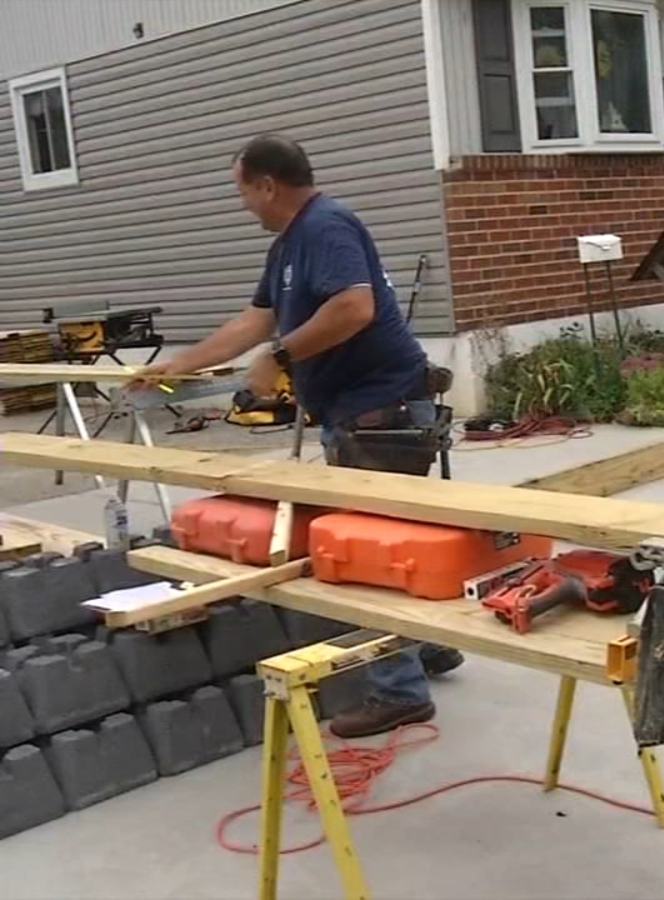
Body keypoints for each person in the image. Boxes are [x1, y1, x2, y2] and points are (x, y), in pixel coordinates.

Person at [133, 134, 463, 737]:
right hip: (360, 414)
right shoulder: (289, 246)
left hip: (382, 414)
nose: (242, 205)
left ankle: (400, 691)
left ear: (267, 185)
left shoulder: (326, 227)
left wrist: (280, 357)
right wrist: (182, 364)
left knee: (367, 554)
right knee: (392, 542)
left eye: (242, 190)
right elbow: (253, 320)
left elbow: (354, 309)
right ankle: (425, 647)